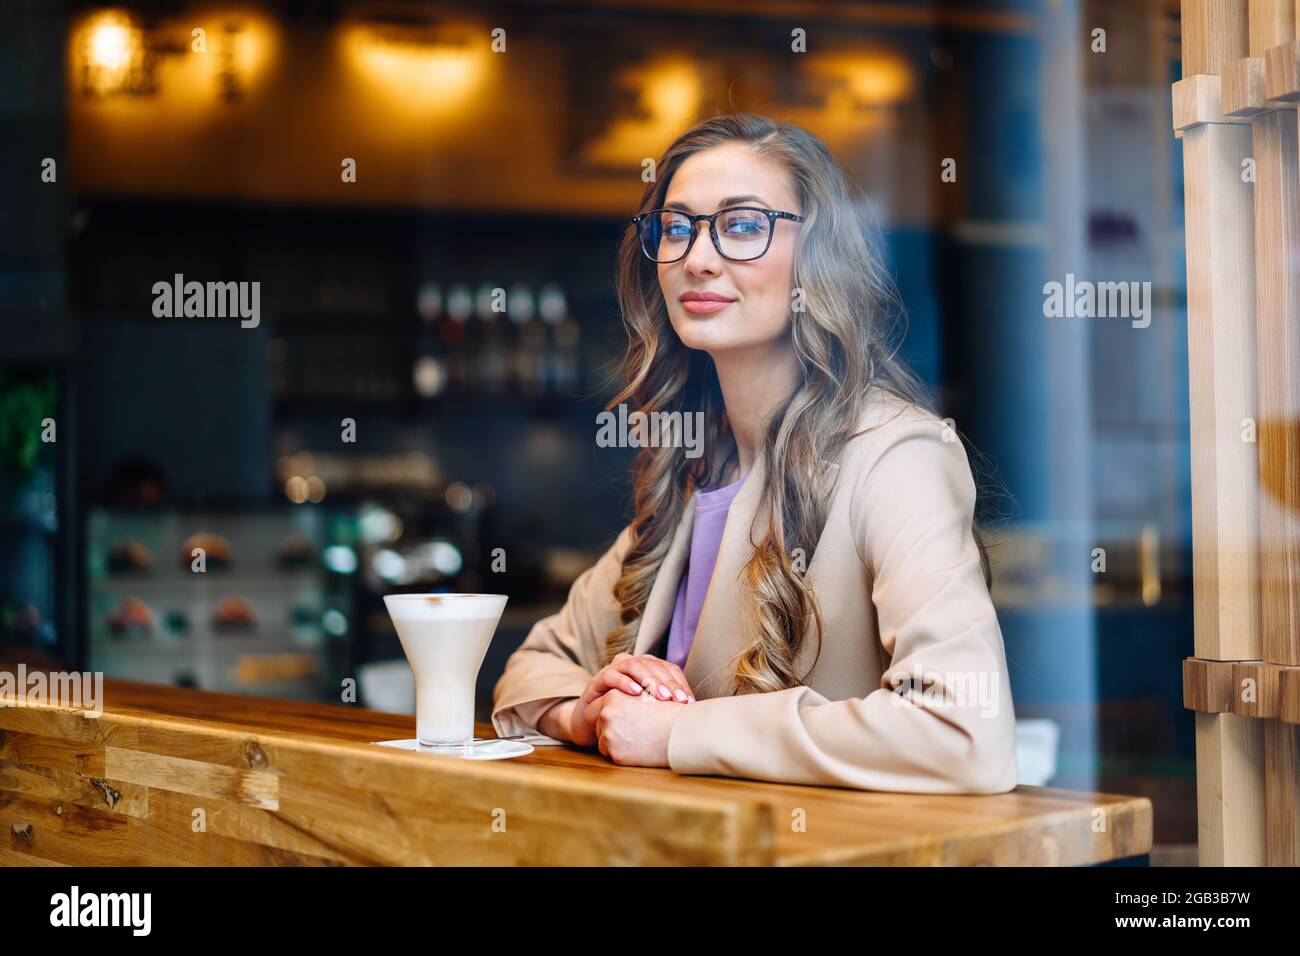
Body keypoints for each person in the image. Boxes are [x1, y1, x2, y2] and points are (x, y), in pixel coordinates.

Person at [492, 113, 1018, 793]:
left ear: (819, 255)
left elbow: (965, 731)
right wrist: (586, 714)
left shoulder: (893, 456)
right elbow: (534, 664)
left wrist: (678, 733)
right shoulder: (694, 472)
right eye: (676, 228)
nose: (697, 258)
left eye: (742, 225)